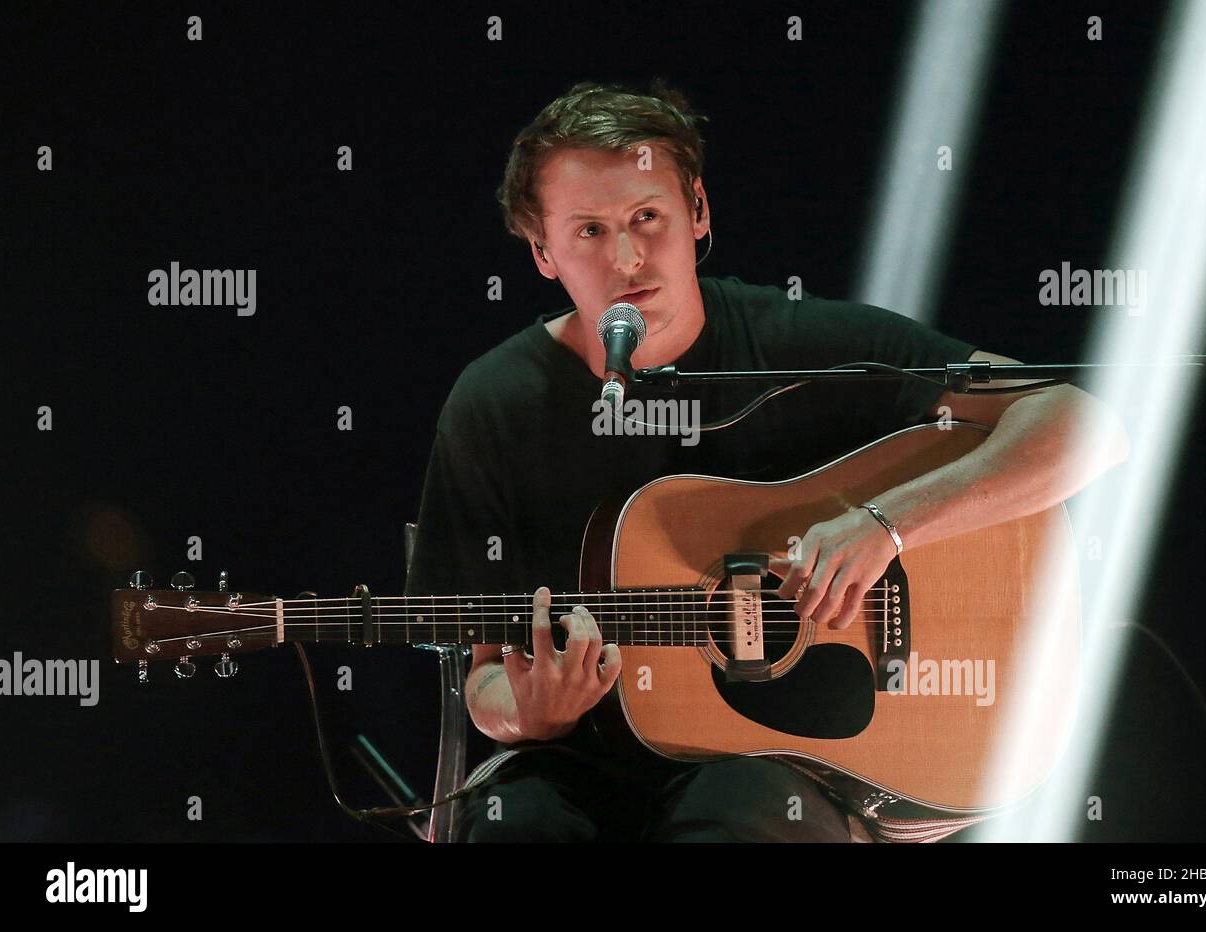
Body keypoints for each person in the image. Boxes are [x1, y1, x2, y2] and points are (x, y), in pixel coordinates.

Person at [405, 80, 1130, 842]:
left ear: (699, 213)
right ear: (543, 252)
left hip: (778, 759)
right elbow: (485, 672)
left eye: (648, 217)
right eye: (589, 231)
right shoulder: (495, 402)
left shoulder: (805, 348)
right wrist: (527, 710)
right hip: (572, 762)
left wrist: (887, 524)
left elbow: (1082, 424)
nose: (627, 258)